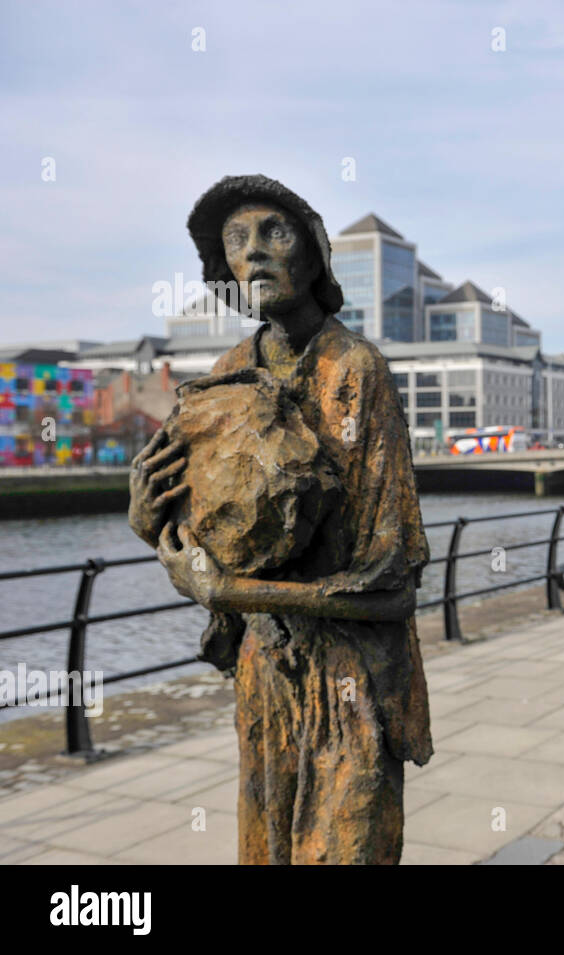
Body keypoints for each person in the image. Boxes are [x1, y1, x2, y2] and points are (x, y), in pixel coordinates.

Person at [128, 175, 433, 863]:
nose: (256, 250)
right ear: (226, 270)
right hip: (265, 676)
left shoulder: (355, 370)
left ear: (314, 253)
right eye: (238, 239)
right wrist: (148, 521)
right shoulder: (227, 374)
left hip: (350, 682)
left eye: (275, 231)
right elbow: (202, 538)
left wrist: (226, 592)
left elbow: (391, 588)